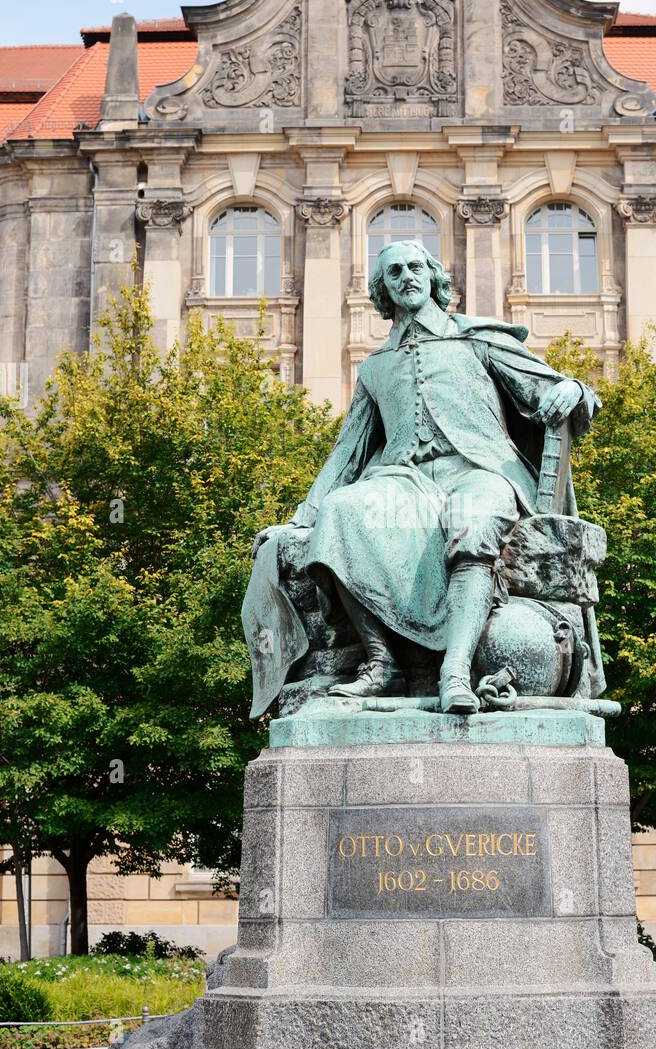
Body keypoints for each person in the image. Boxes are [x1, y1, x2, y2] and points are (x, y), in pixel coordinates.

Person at [251, 240, 599, 714]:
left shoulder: (478, 339)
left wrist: (574, 390)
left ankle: (455, 673)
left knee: (472, 521)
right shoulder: (375, 367)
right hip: (404, 479)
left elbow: (558, 390)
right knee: (340, 512)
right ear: (383, 290)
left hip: (480, 471)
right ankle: (380, 662)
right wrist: (301, 518)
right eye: (394, 272)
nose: (407, 277)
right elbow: (347, 452)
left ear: (433, 277)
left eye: (416, 267)